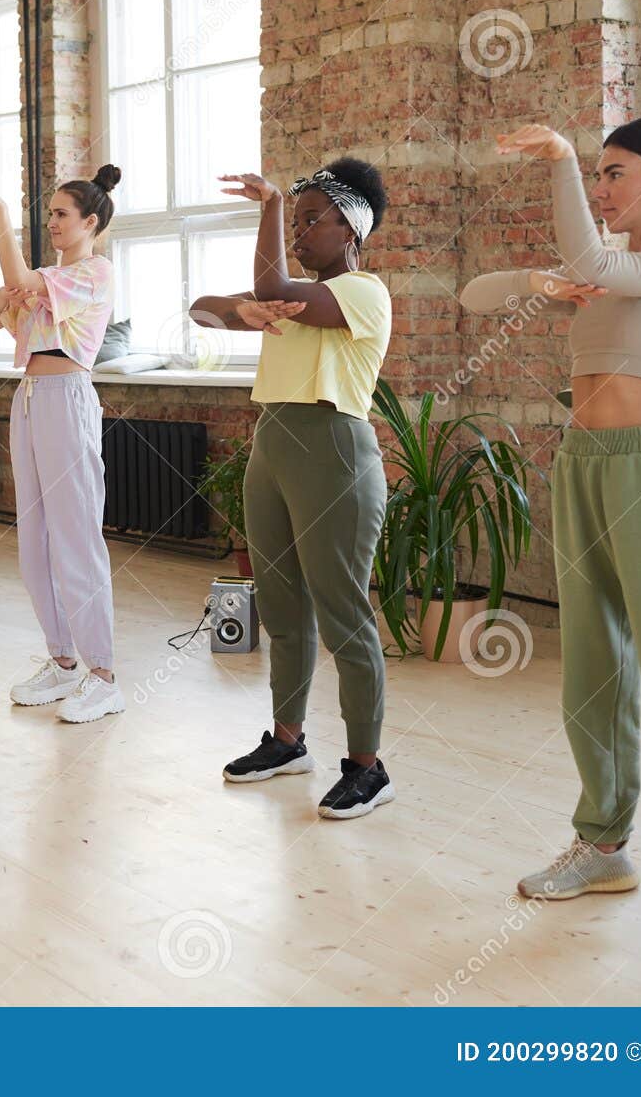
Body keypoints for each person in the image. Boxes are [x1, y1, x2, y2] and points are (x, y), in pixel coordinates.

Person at [460, 117, 641, 959]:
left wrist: (555, 160)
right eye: (593, 172)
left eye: (614, 173)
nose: (602, 189)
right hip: (584, 464)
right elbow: (474, 295)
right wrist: (538, 284)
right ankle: (604, 844)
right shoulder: (611, 271)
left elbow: (596, 263)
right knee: (592, 664)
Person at [190, 158, 395, 819]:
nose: (302, 232)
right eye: (296, 218)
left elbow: (273, 282)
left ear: (351, 227)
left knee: (342, 611)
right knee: (280, 603)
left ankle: (367, 766)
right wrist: (244, 308)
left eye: (313, 220)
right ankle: (288, 740)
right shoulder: (288, 299)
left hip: (333, 448)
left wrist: (271, 205)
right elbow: (204, 311)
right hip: (272, 444)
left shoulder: (364, 294)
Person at [0, 166, 125, 724]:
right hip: (29, 398)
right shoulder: (43, 278)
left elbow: (20, 282)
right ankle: (62, 661)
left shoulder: (94, 272)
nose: (52, 222)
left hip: (67, 396)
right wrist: (11, 288)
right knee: (34, 538)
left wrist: (4, 217)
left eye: (61, 214)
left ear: (91, 222)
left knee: (76, 534)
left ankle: (103, 675)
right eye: (48, 213)